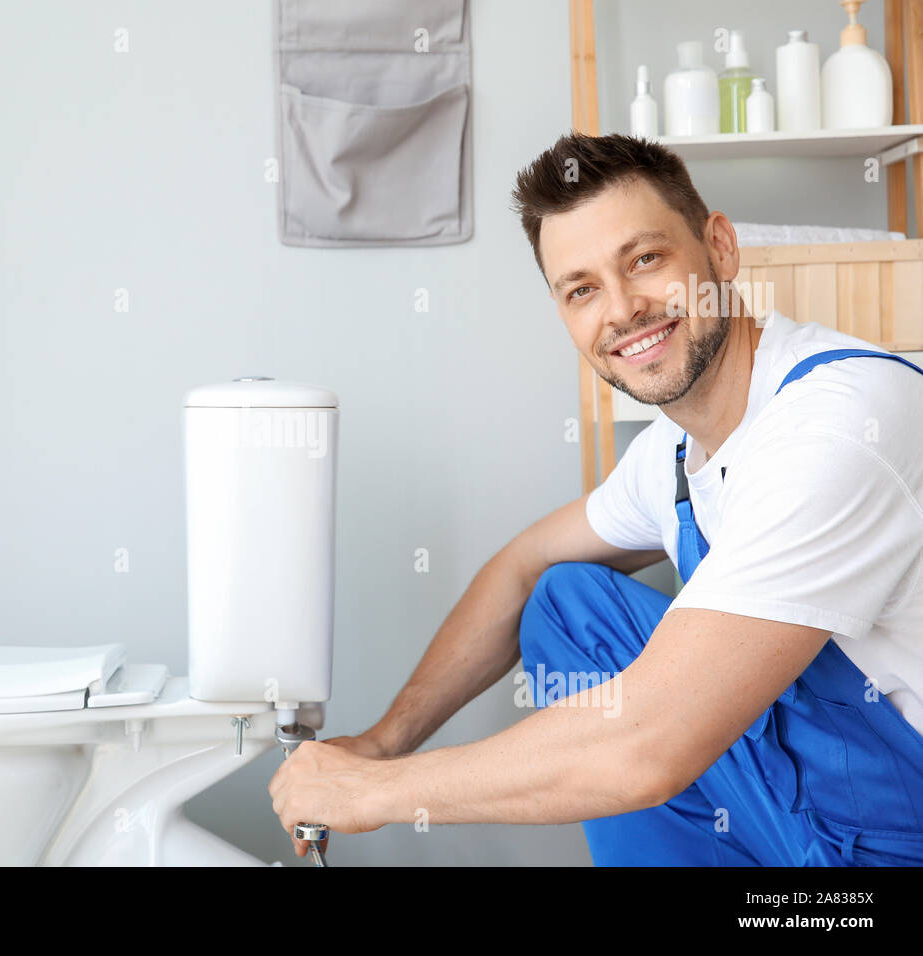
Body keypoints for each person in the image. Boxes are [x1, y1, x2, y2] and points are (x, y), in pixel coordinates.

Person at [268, 132, 923, 865]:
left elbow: (650, 745)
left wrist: (369, 793)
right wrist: (382, 744)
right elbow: (521, 566)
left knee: (644, 727)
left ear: (721, 248)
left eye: (645, 260)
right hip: (801, 812)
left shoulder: (839, 423)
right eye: (581, 289)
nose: (622, 310)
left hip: (901, 839)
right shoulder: (672, 454)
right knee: (566, 601)